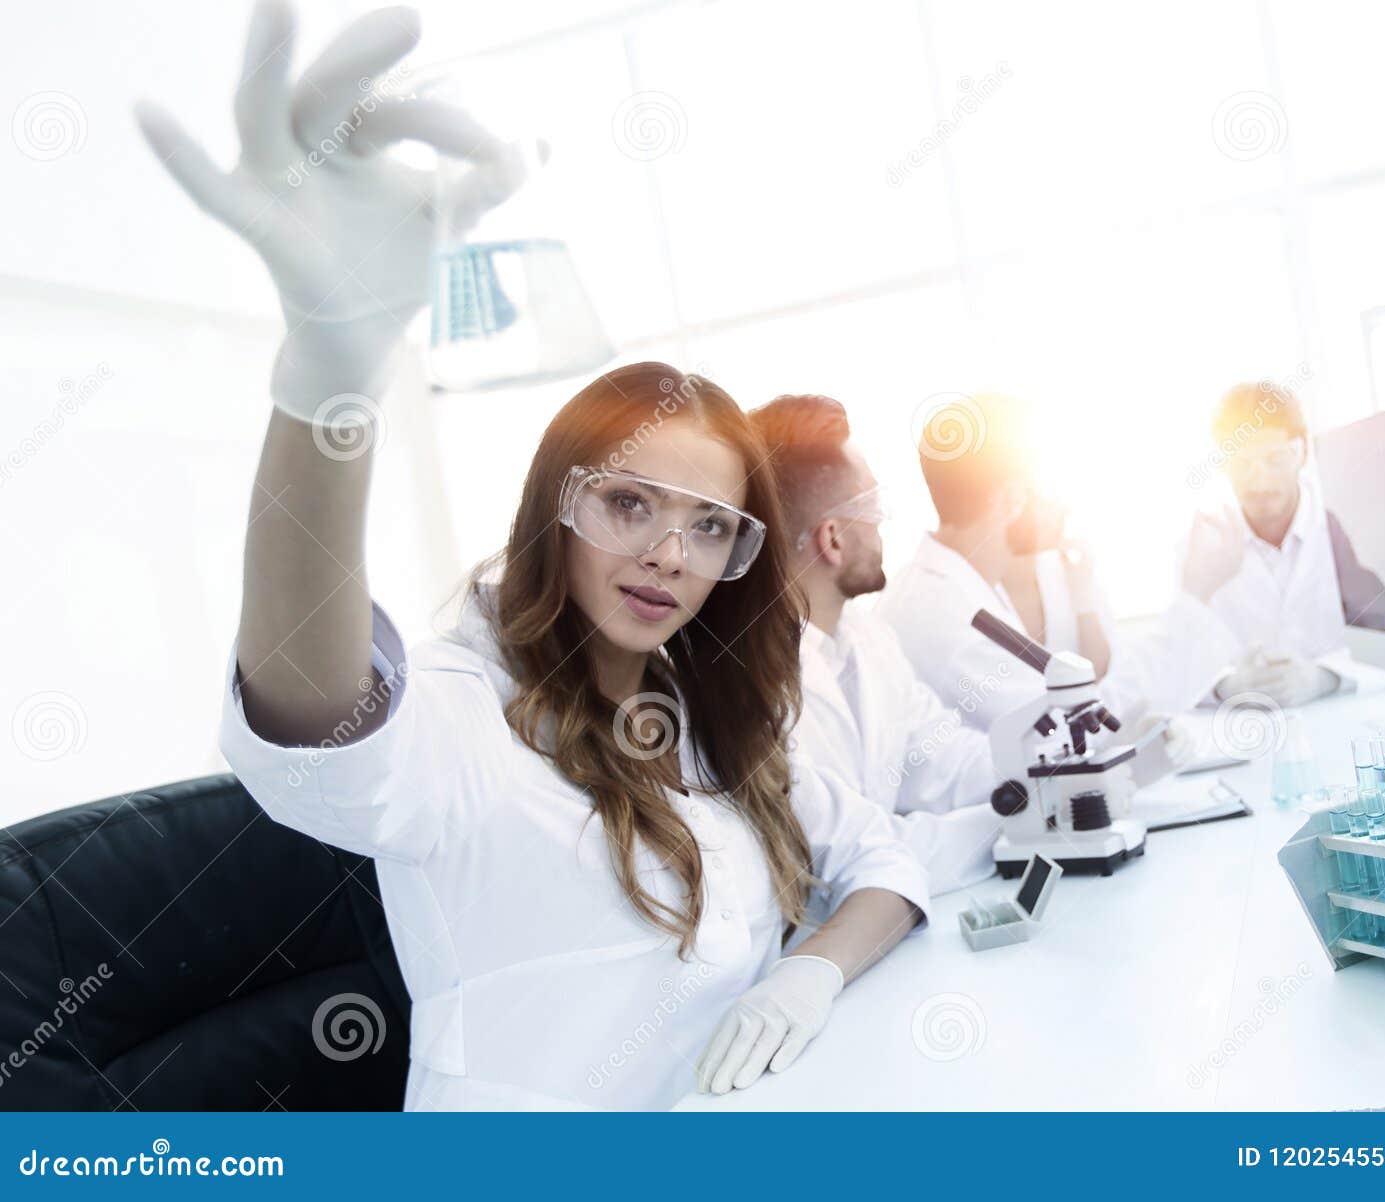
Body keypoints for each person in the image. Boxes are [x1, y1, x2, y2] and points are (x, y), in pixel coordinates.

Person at [138, 2, 927, 1111]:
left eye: (710, 524)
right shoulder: (468, 715)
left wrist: (809, 969)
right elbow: (314, 712)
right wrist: (331, 382)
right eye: (629, 502)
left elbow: (885, 859)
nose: (668, 551)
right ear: (554, 507)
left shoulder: (704, 711)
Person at [749, 394, 1001, 894]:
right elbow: (849, 856)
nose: (883, 522)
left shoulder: (867, 638)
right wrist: (1013, 822)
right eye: (873, 506)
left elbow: (937, 757)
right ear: (833, 539)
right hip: (821, 935)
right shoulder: (753, 680)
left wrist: (1037, 766)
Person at [877, 393, 1246, 734]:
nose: (1065, 506)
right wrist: (1198, 592)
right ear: (1010, 499)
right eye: (1050, 486)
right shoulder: (941, 613)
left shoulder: (963, 587)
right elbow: (1080, 728)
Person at [1203, 380, 1385, 708]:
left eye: (1275, 459)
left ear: (1301, 452)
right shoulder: (1201, 547)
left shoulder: (1343, 527)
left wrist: (1326, 677)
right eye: (1242, 465)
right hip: (1251, 738)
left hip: (1351, 723)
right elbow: (1175, 670)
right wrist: (1226, 685)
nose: (1259, 480)